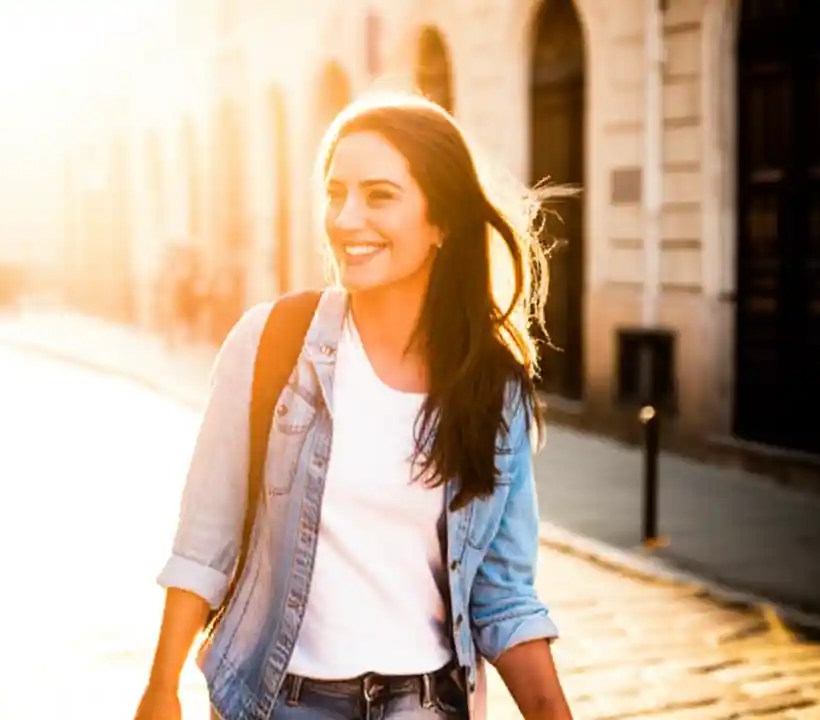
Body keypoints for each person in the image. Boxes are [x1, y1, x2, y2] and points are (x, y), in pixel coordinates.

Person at [135, 93, 572, 720]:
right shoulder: (272, 344)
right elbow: (205, 539)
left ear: (441, 221)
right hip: (281, 703)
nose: (346, 218)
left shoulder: (491, 386)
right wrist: (160, 688)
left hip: (427, 704)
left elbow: (503, 597)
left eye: (379, 195)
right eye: (335, 193)